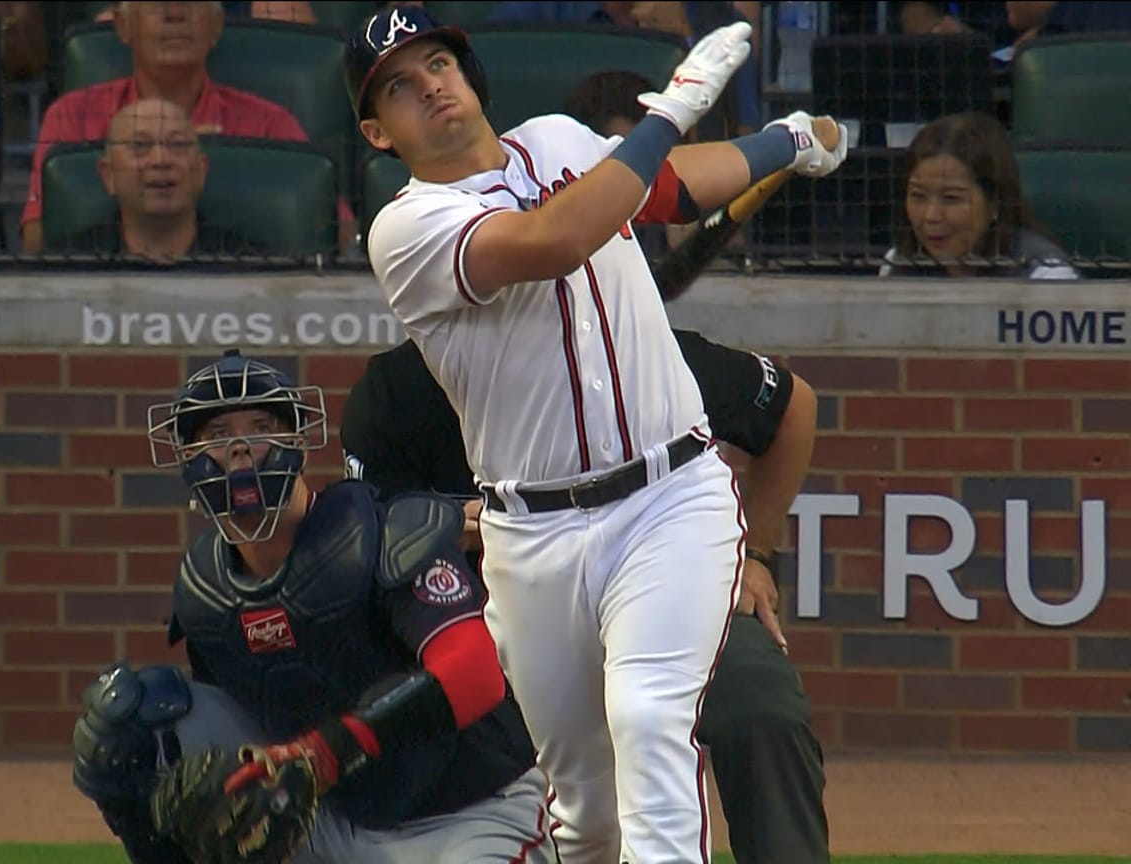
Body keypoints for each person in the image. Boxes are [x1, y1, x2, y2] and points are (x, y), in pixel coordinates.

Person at [346, 7, 846, 862]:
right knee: (585, 817)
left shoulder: (557, 141)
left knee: (652, 720)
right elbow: (560, 236)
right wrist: (670, 109)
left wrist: (786, 141)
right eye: (399, 83)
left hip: (669, 496)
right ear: (376, 131)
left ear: (469, 76)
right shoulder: (405, 228)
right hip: (531, 534)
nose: (430, 83)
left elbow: (663, 188)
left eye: (438, 62)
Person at [341, 333, 830, 864]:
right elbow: (372, 531)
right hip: (486, 617)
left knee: (761, 707)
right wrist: (443, 523)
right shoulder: (401, 384)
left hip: (670, 583)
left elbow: (792, 406)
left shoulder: (635, 349)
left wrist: (755, 553)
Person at [69, 350, 557, 864]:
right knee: (126, 723)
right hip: (329, 818)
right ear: (188, 454)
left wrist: (322, 754)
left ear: (296, 442)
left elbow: (476, 674)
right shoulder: (205, 591)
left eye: (260, 428)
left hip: (470, 813)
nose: (239, 449)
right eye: (217, 434)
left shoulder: (384, 534)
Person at [18, 1, 328, 254]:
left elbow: (333, 229)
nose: (175, 13)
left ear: (216, 26)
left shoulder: (269, 123)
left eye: (192, 4)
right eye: (157, 4)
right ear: (124, 26)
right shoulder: (73, 115)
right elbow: (36, 239)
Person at [53, 97, 265, 259]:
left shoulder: (252, 264)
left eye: (177, 145)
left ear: (202, 170)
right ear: (108, 175)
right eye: (140, 146)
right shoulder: (65, 265)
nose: (161, 160)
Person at [881, 111, 1076, 280]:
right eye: (918, 196)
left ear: (995, 203)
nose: (931, 216)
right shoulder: (896, 263)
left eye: (951, 198)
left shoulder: (1047, 276)